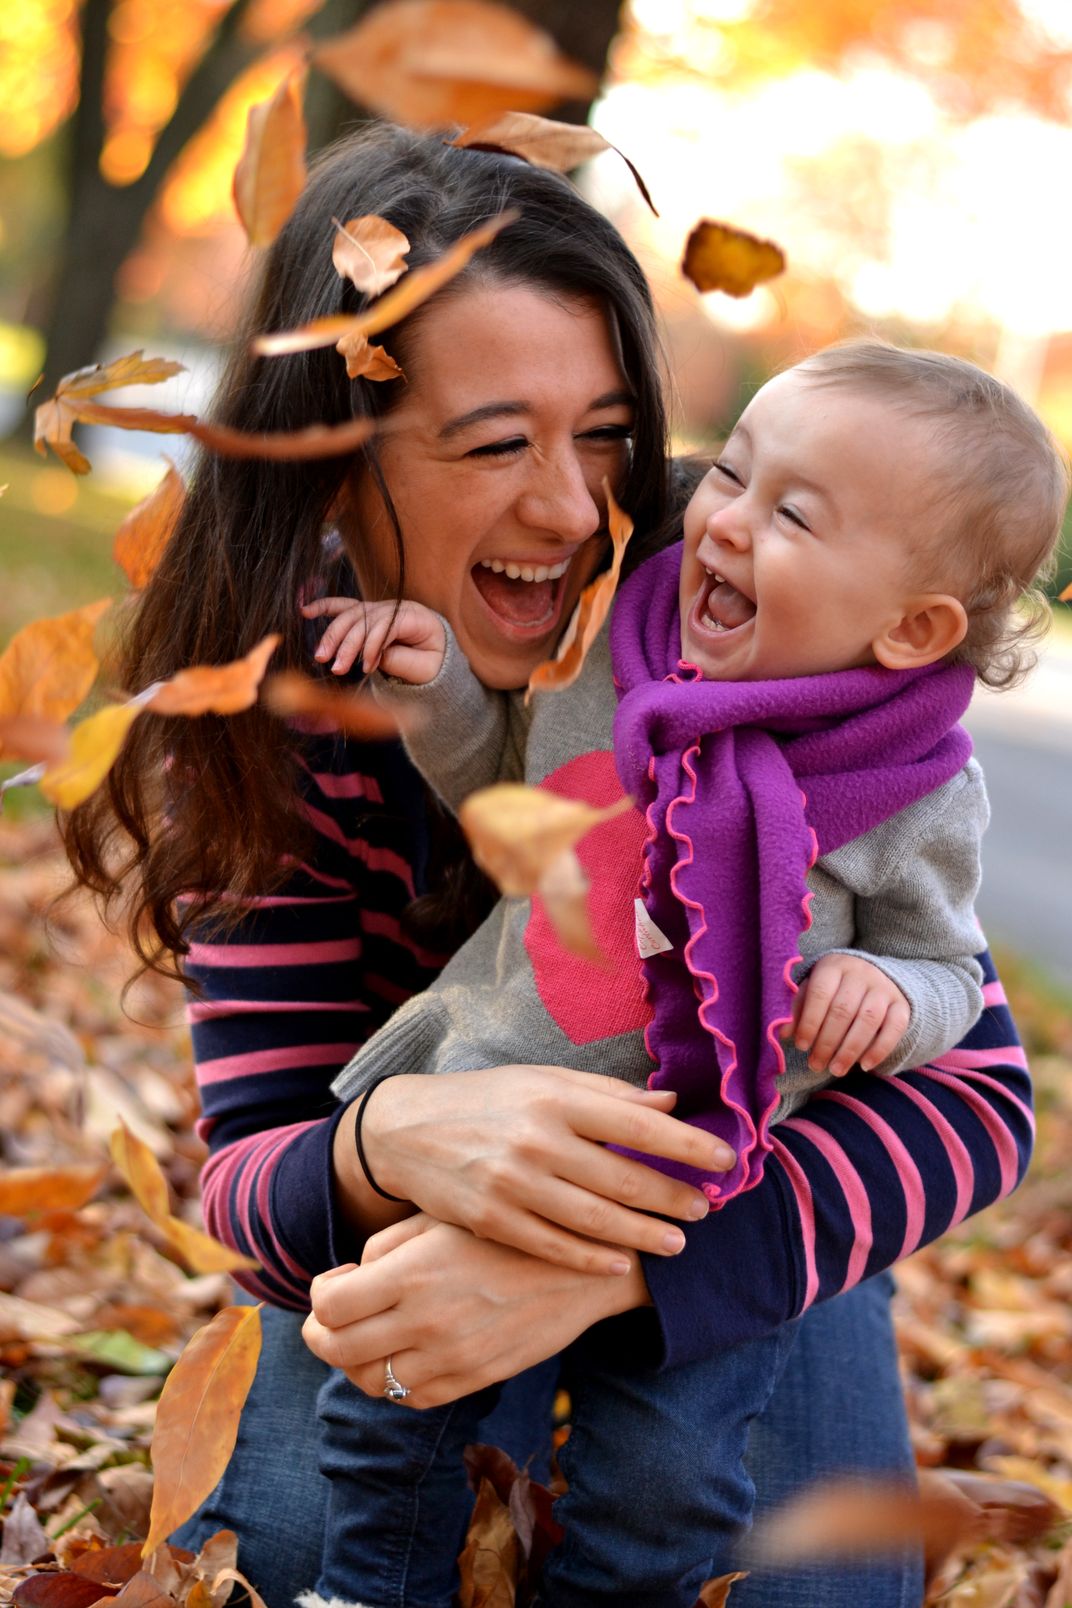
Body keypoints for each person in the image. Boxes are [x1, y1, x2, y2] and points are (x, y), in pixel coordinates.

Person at [61, 123, 1036, 1608]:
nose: (576, 512)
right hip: (435, 1202)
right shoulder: (256, 729)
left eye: (605, 434)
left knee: (775, 1578)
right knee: (318, 1545)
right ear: (335, 463)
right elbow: (254, 1172)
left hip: (733, 1186)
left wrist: (641, 1265)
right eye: (497, 442)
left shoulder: (743, 616)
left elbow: (977, 1088)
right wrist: (389, 1150)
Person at [303, 340, 1065, 1605]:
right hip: (496, 1106)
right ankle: (365, 1588)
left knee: (669, 1467)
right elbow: (517, 805)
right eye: (735, 474)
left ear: (911, 627)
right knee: (388, 1412)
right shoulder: (617, 652)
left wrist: (892, 996)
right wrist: (438, 689)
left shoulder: (909, 785)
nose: (724, 520)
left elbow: (942, 973)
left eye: (791, 514)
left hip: (701, 1184)